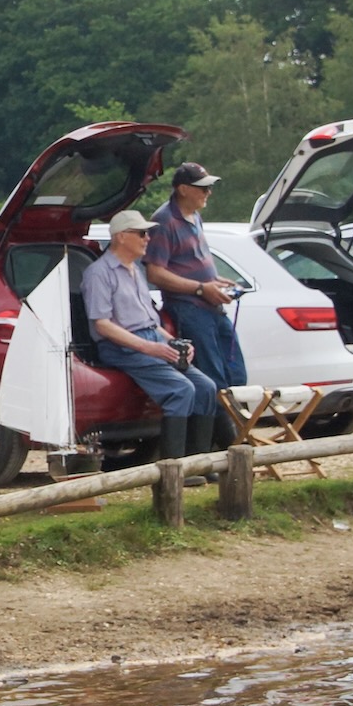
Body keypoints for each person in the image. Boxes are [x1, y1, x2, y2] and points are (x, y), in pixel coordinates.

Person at [82, 210, 217, 486]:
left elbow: (151, 322)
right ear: (121, 237)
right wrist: (149, 348)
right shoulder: (98, 273)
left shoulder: (137, 270)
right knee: (181, 390)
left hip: (148, 340)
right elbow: (103, 326)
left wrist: (173, 343)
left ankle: (198, 464)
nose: (148, 238)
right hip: (120, 346)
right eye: (142, 233)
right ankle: (173, 471)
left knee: (206, 388)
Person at [145, 162, 247, 451]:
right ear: (183, 189)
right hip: (189, 308)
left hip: (211, 305)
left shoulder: (195, 217)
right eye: (202, 188)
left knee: (234, 373)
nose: (209, 192)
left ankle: (227, 446)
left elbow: (192, 264)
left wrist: (215, 280)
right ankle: (228, 448)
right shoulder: (165, 221)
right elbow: (155, 273)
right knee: (212, 378)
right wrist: (201, 287)